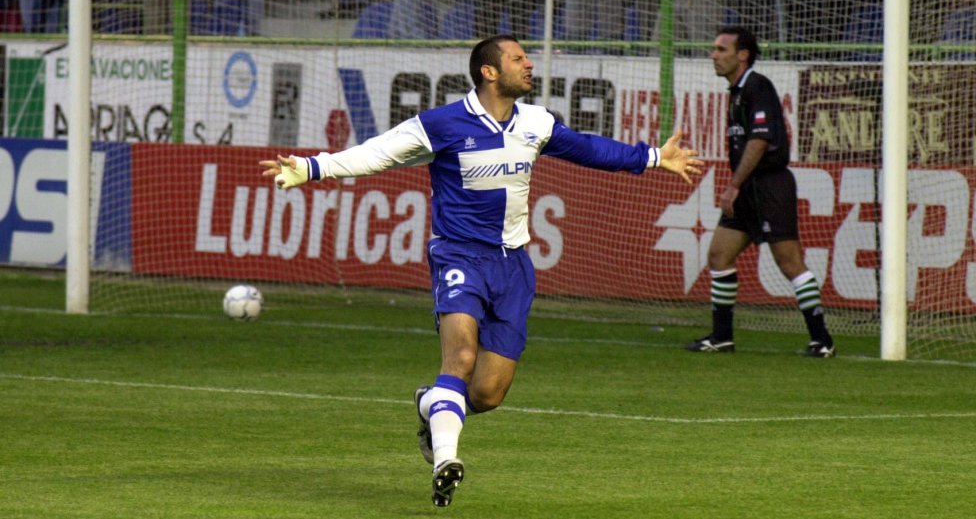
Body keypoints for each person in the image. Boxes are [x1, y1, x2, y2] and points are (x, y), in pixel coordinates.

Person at [260, 35, 703, 507]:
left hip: (513, 267)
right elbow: (379, 152)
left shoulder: (536, 122)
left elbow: (589, 148)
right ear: (489, 72)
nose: (529, 65)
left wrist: (654, 157)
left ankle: (433, 406)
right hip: (458, 256)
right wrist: (313, 167)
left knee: (489, 393)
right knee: (461, 357)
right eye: (518, 59)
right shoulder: (442, 124)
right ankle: (446, 460)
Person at [686, 26, 835, 357]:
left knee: (789, 262)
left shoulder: (757, 86)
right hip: (748, 187)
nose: (713, 55)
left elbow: (760, 140)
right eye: (714, 49)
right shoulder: (737, 92)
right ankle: (722, 337)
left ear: (742, 55)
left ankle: (822, 340)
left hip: (769, 186)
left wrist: (733, 185)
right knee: (719, 255)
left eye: (721, 49)